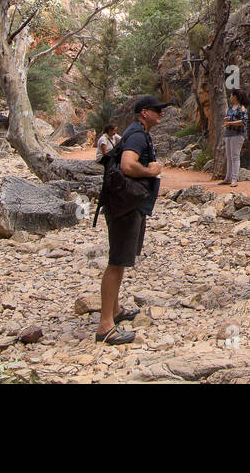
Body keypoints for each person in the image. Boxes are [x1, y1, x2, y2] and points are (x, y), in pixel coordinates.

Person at [95, 96, 165, 344]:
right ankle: (105, 326)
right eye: (157, 110)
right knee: (116, 262)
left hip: (125, 204)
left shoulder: (137, 132)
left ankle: (114, 310)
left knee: (121, 259)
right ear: (144, 113)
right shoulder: (137, 136)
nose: (161, 114)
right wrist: (150, 171)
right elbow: (127, 165)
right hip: (126, 206)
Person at [222, 89, 248, 187]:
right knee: (229, 156)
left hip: (237, 134)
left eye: (232, 95)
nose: (230, 97)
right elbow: (232, 117)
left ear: (236, 97)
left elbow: (243, 121)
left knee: (235, 156)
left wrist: (230, 123)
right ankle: (228, 178)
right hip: (229, 134)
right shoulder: (231, 107)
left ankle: (234, 179)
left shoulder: (242, 108)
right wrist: (228, 119)